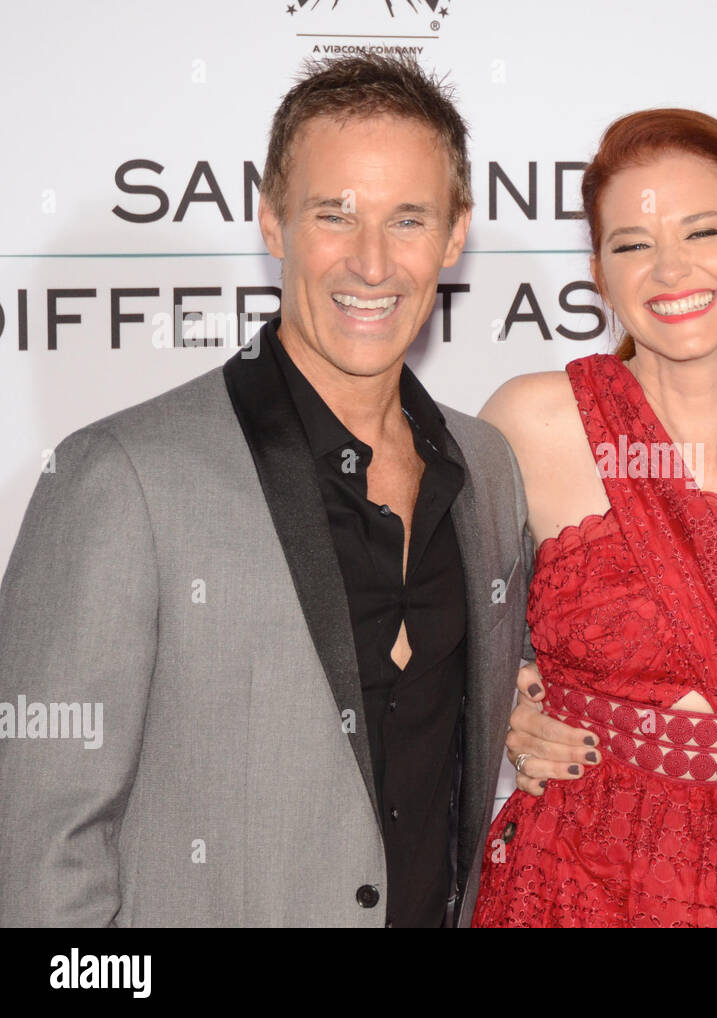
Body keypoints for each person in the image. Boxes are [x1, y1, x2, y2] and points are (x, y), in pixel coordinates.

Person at [0, 54, 530, 928]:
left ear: (455, 233)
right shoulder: (123, 478)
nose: (371, 262)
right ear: (273, 220)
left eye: (408, 219)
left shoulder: (488, 472)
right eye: (335, 214)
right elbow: (36, 852)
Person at [470, 109, 717, 927]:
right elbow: (437, 640)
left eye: (703, 231)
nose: (670, 270)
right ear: (598, 272)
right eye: (632, 244)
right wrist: (506, 716)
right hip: (572, 876)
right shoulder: (534, 422)